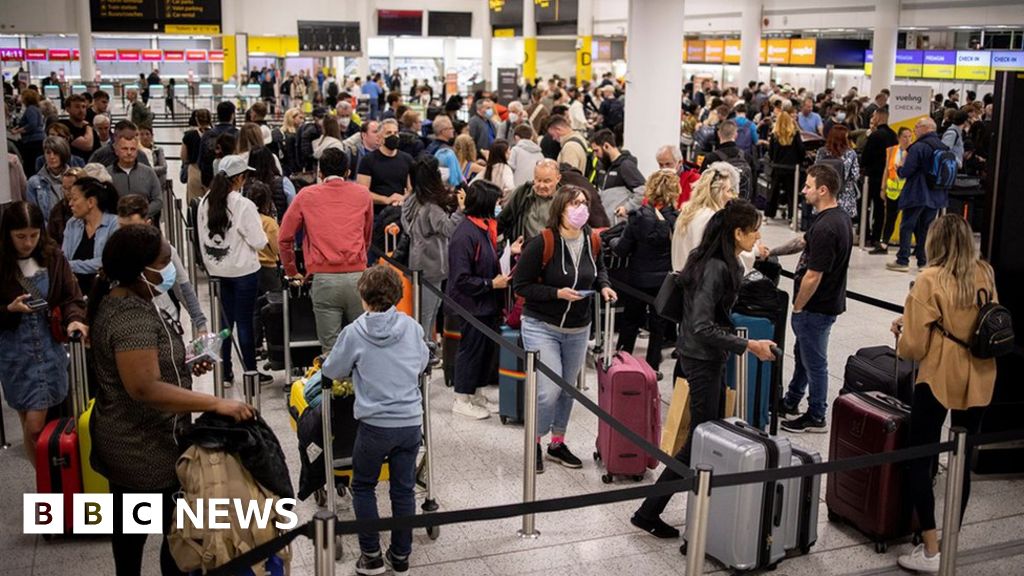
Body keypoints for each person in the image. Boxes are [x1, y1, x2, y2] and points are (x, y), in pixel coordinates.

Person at [87, 224, 253, 576]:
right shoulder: (130, 317)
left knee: (136, 534)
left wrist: (184, 362)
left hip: (137, 441)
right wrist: (213, 403)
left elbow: (147, 366)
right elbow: (144, 387)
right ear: (139, 268)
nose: (171, 269)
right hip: (142, 449)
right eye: (164, 261)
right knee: (174, 538)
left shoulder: (132, 301)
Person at [631, 200, 776, 538]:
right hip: (701, 359)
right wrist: (749, 346)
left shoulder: (720, 260)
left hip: (703, 356)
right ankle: (648, 511)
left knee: (702, 435)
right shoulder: (715, 266)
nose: (758, 234)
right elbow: (701, 326)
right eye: (753, 229)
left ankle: (658, 509)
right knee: (698, 439)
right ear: (736, 232)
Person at [890, 215, 997, 573]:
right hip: (980, 371)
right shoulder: (985, 272)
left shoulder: (930, 278)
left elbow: (914, 347)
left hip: (939, 373)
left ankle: (931, 549)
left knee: (921, 455)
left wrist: (902, 334)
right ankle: (950, 541)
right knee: (962, 459)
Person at [321, 264, 428, 576]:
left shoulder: (354, 332)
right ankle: (401, 555)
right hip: (409, 422)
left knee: (364, 486)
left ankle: (371, 555)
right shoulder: (411, 326)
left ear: (363, 298)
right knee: (403, 490)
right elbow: (421, 361)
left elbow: (333, 370)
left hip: (375, 426)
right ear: (397, 295)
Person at [512, 186, 617, 473]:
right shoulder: (542, 242)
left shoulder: (593, 240)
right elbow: (520, 286)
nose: (581, 208)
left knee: (568, 390)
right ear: (560, 208)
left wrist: (604, 286)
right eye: (574, 203)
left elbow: (599, 270)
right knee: (548, 391)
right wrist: (556, 294)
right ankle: (534, 440)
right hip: (541, 325)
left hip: (578, 327)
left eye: (584, 202)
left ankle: (557, 442)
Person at [0, 201, 87, 463]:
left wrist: (74, 320)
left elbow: (71, 297)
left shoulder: (53, 257)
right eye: (20, 236)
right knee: (27, 419)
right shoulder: (2, 263)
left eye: (33, 235)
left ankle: (47, 483)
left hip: (49, 350)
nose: (27, 243)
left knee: (36, 425)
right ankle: (45, 481)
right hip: (14, 353)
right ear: (8, 235)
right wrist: (9, 309)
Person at [779, 164, 853, 433]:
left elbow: (814, 275)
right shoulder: (834, 218)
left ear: (823, 190)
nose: (803, 190)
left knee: (815, 361)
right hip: (821, 306)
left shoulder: (827, 227)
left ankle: (816, 414)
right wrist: (770, 252)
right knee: (804, 356)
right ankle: (791, 400)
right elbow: (802, 242)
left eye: (808, 186)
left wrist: (798, 308)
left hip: (816, 307)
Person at [279, 148, 373, 351]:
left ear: (320, 173)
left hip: (324, 279)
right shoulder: (362, 194)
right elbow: (367, 235)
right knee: (363, 345)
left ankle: (335, 382)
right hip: (358, 276)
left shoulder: (306, 195)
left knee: (331, 350)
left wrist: (292, 271)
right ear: (348, 172)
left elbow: (284, 237)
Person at [196, 155, 270, 385]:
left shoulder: (205, 201)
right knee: (245, 324)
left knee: (224, 325)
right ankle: (250, 373)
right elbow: (259, 241)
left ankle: (226, 372)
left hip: (218, 271)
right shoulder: (243, 204)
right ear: (239, 178)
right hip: (243, 273)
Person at [446, 181, 510, 419]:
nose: (498, 206)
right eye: (496, 202)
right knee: (470, 351)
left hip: (487, 304)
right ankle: (461, 397)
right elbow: (460, 278)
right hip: (470, 305)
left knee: (485, 351)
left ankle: (477, 394)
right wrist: (491, 284)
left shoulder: (484, 227)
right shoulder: (464, 235)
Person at [613, 170, 680, 375]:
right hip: (664, 281)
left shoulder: (637, 218)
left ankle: (622, 363)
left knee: (630, 321)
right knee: (658, 325)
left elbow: (622, 248)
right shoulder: (677, 221)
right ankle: (653, 368)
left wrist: (611, 240)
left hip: (637, 279)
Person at [401, 156, 464, 339]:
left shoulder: (411, 201)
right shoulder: (432, 206)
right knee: (427, 315)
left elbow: (407, 227)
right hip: (432, 265)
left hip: (416, 261)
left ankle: (426, 349)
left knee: (422, 313)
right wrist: (460, 210)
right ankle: (425, 353)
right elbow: (448, 229)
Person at [888, 118, 948, 272]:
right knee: (926, 228)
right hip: (936, 193)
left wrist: (899, 168)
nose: (914, 130)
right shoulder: (942, 146)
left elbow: (907, 171)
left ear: (925, 128)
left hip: (917, 192)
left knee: (907, 225)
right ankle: (923, 261)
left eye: (916, 127)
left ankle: (903, 260)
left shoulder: (918, 147)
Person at [671, 162, 739, 272]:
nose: (732, 196)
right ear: (718, 193)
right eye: (729, 191)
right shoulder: (709, 217)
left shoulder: (688, 212)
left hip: (682, 276)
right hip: (696, 281)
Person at [62, 177, 120, 296]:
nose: (70, 204)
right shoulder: (72, 224)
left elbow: (106, 263)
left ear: (91, 202)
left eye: (74, 199)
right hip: (75, 291)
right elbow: (64, 259)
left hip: (106, 292)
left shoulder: (114, 224)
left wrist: (71, 265)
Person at [859, 107, 899, 251]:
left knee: (865, 206)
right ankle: (877, 236)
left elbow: (865, 157)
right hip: (887, 177)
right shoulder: (894, 135)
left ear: (879, 117)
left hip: (872, 177)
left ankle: (865, 234)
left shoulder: (875, 136)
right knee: (881, 209)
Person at [356, 119, 413, 215]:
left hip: (401, 212)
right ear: (379, 138)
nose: (393, 136)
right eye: (388, 133)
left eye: (396, 133)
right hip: (377, 213)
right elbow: (363, 193)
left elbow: (411, 188)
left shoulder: (407, 159)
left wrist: (404, 197)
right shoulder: (368, 160)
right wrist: (386, 200)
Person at [498, 159, 562, 243]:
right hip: (523, 251)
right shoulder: (522, 194)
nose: (541, 185)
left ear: (558, 178)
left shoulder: (564, 200)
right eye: (538, 180)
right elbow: (501, 221)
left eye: (547, 181)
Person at [873, 127, 913, 255]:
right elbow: (886, 169)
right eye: (904, 137)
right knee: (890, 218)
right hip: (893, 191)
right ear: (899, 138)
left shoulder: (913, 151)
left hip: (907, 190)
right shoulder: (891, 150)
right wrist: (883, 188)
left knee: (910, 219)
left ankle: (914, 246)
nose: (907, 139)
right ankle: (884, 243)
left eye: (909, 136)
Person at [106, 135, 163, 221]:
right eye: (124, 149)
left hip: (144, 225)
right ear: (116, 151)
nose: (129, 152)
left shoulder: (148, 172)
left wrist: (141, 216)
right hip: (116, 225)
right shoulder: (107, 174)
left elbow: (158, 200)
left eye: (132, 149)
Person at [815, 125, 860, 222]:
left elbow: (815, 170)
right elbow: (855, 175)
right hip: (845, 195)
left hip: (824, 193)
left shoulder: (822, 152)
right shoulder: (850, 153)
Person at [766, 110, 806, 219]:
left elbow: (770, 153)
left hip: (777, 169)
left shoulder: (774, 135)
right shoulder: (794, 134)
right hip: (792, 170)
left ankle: (769, 213)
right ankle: (792, 215)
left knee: (773, 191)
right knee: (792, 193)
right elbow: (801, 150)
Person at [243, 182, 282, 295]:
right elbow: (277, 249)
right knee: (273, 304)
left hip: (249, 267)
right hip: (269, 270)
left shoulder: (245, 219)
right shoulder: (269, 223)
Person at [26, 136, 73, 228]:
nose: (51, 157)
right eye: (48, 153)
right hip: (47, 232)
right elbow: (34, 215)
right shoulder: (34, 182)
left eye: (56, 153)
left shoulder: (75, 178)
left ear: (63, 154)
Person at [199, 101, 239, 187]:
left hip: (211, 183)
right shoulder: (238, 134)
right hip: (234, 182)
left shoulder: (207, 135)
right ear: (232, 115)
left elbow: (201, 161)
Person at [12, 88, 46, 176]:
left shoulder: (30, 109)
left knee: (30, 164)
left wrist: (18, 131)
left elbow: (32, 124)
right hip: (38, 140)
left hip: (32, 141)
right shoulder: (36, 108)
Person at [181, 109, 212, 201]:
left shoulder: (188, 136)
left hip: (194, 170)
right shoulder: (214, 134)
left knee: (194, 202)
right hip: (211, 171)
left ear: (196, 119)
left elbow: (183, 156)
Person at [425, 115, 462, 189]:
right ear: (443, 131)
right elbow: (454, 179)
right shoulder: (446, 151)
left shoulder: (430, 146)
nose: (453, 130)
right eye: (451, 128)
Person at [59, 93, 97, 164]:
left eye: (83, 107)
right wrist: (88, 126)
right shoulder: (64, 127)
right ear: (68, 109)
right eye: (77, 107)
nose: (81, 110)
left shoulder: (91, 131)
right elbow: (87, 145)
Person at [508, 124, 545, 188]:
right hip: (535, 188)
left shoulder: (515, 150)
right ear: (531, 137)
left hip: (518, 189)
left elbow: (509, 169)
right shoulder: (540, 154)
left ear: (516, 137)